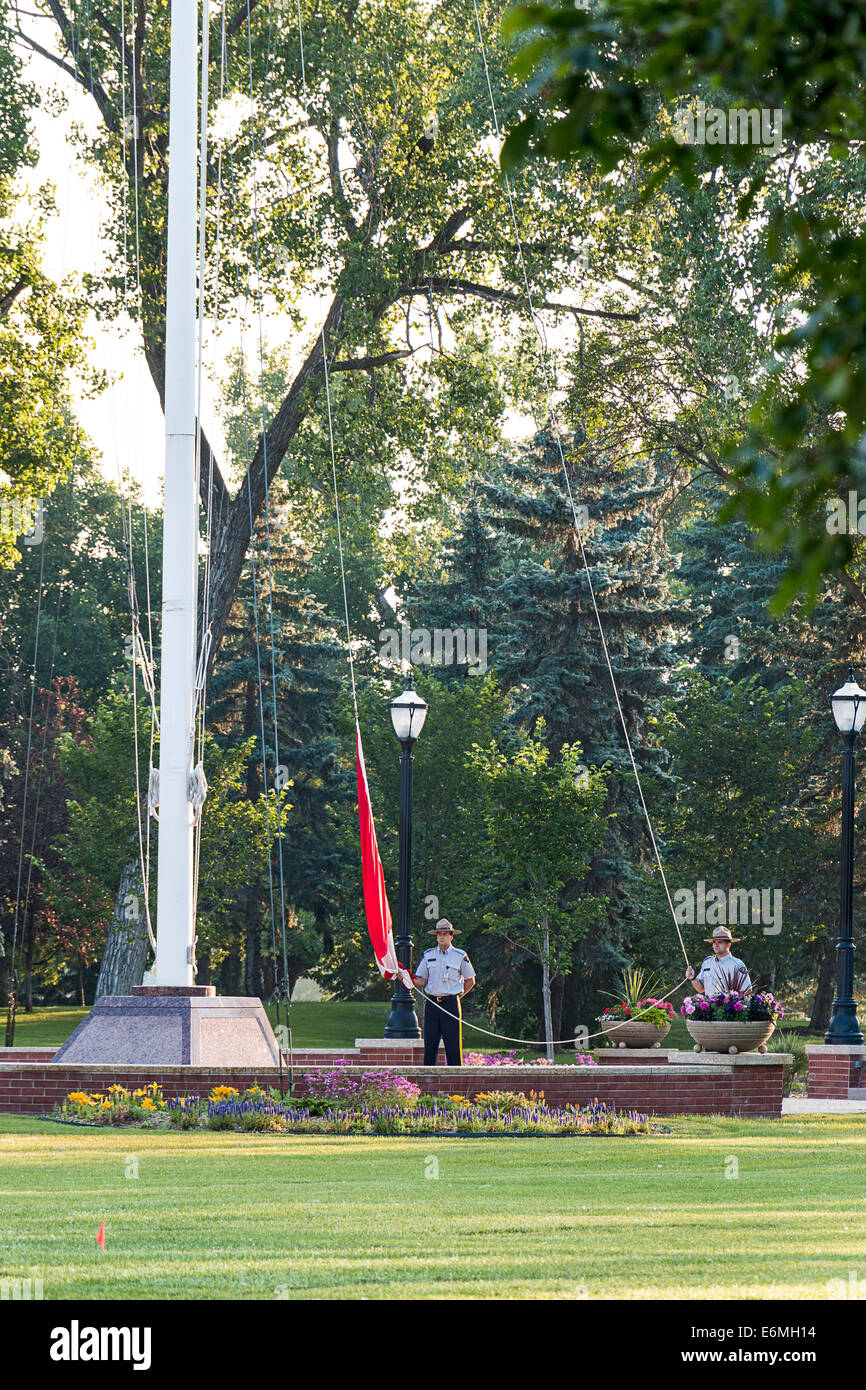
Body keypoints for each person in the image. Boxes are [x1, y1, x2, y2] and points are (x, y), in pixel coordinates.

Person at [412, 919, 475, 1066]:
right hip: (432, 1003)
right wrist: (404, 977)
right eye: (439, 934)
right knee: (430, 1045)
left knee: (453, 1045)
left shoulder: (460, 955)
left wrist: (457, 997)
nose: (442, 937)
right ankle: (427, 1083)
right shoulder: (428, 955)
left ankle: (456, 1083)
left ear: (451, 936)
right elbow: (421, 981)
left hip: (451, 1004)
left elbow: (470, 980)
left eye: (445, 934)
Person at [685, 926, 753, 997]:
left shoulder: (737, 964)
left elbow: (747, 989)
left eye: (720, 942)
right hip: (709, 1007)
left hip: (728, 1007)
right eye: (714, 942)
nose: (716, 945)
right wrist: (693, 978)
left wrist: (731, 1001)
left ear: (728, 945)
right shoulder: (707, 963)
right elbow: (701, 989)